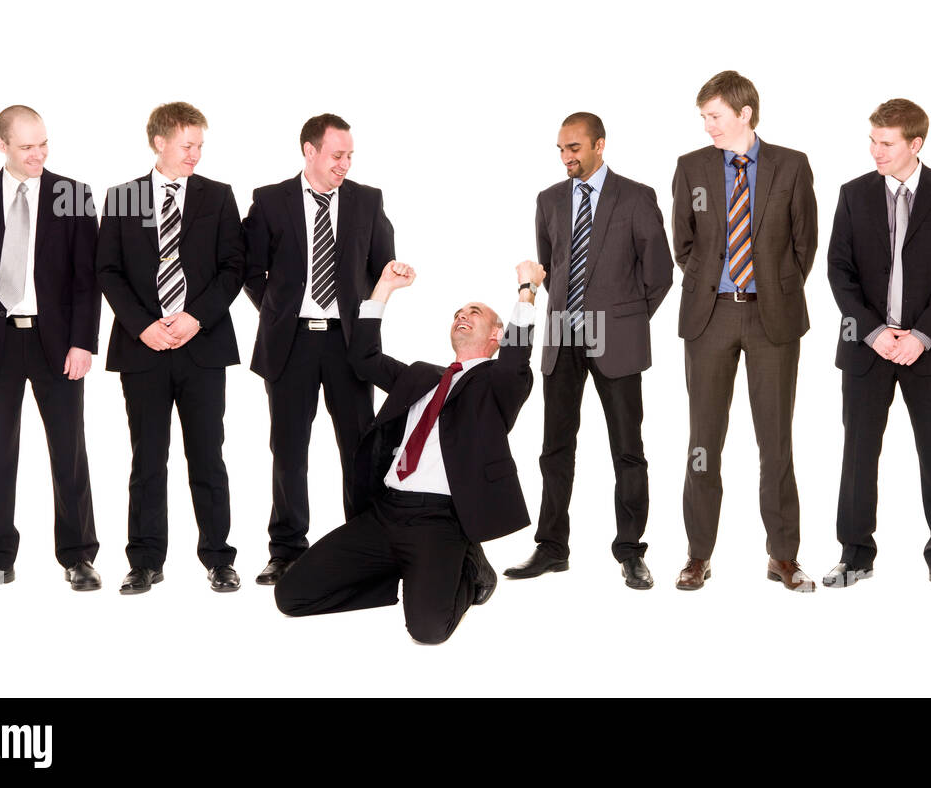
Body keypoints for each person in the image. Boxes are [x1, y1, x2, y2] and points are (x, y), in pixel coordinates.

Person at [275, 259, 544, 643]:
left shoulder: (499, 384)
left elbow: (518, 356)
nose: (462, 316)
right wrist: (383, 289)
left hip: (441, 521)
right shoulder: (421, 376)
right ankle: (397, 578)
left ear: (497, 334)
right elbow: (363, 359)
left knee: (428, 631)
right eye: (457, 313)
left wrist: (527, 290)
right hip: (386, 512)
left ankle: (467, 570)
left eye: (474, 312)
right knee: (291, 596)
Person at [503, 112, 672, 590]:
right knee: (555, 449)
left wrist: (626, 324)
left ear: (600, 144)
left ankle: (630, 551)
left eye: (574, 147)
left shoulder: (636, 197)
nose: (566, 157)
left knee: (627, 450)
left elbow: (658, 275)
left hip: (613, 339)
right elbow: (552, 267)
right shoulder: (549, 200)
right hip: (562, 338)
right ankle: (552, 547)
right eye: (560, 149)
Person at [670, 70, 819, 592]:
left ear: (744, 114)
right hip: (708, 319)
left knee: (775, 441)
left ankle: (783, 556)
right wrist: (718, 286)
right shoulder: (691, 168)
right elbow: (683, 246)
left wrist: (771, 290)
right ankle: (697, 554)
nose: (708, 125)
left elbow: (805, 246)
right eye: (704, 117)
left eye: (715, 116)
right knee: (702, 441)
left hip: (771, 318)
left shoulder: (791, 166)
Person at [825, 99, 931, 595]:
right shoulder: (852, 194)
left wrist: (921, 336)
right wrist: (872, 331)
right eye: (872, 140)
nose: (875, 151)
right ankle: (854, 553)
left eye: (886, 143)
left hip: (927, 350)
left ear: (915, 144)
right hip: (867, 348)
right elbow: (839, 272)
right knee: (859, 452)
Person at [0, 105, 102, 594]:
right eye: (26, 147)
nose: (38, 154)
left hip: (56, 343)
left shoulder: (72, 196)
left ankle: (78, 556)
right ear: (1, 146)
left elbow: (87, 281)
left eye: (43, 144)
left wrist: (83, 343)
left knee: (69, 450)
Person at [96, 101, 245, 595]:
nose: (195, 154)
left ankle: (219, 558)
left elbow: (233, 267)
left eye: (200, 145)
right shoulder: (123, 197)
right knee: (147, 458)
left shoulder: (218, 196)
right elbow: (107, 271)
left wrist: (195, 316)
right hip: (144, 351)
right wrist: (143, 327)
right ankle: (144, 560)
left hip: (201, 346)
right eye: (187, 145)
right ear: (159, 142)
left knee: (208, 457)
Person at [242, 114, 394, 586]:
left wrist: (368, 313)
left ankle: (365, 544)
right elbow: (250, 269)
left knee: (359, 446)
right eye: (336, 155)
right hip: (290, 342)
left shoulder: (367, 201)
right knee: (288, 448)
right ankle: (286, 548)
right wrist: (279, 310)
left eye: (350, 156)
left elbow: (380, 267)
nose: (344, 164)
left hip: (349, 344)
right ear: (309, 152)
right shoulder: (270, 200)